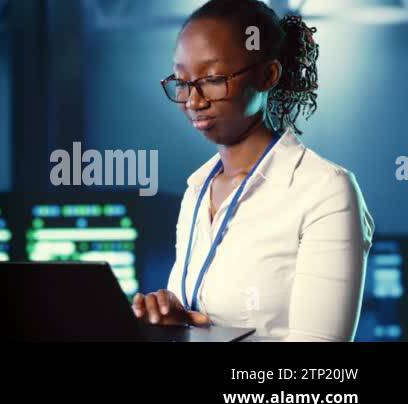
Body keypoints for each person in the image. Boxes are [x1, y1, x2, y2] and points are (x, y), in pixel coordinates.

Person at [132, 0, 374, 341]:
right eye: (183, 81)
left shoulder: (325, 191)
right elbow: (205, 322)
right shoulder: (197, 191)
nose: (193, 100)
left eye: (213, 79)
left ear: (267, 75)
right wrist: (179, 322)